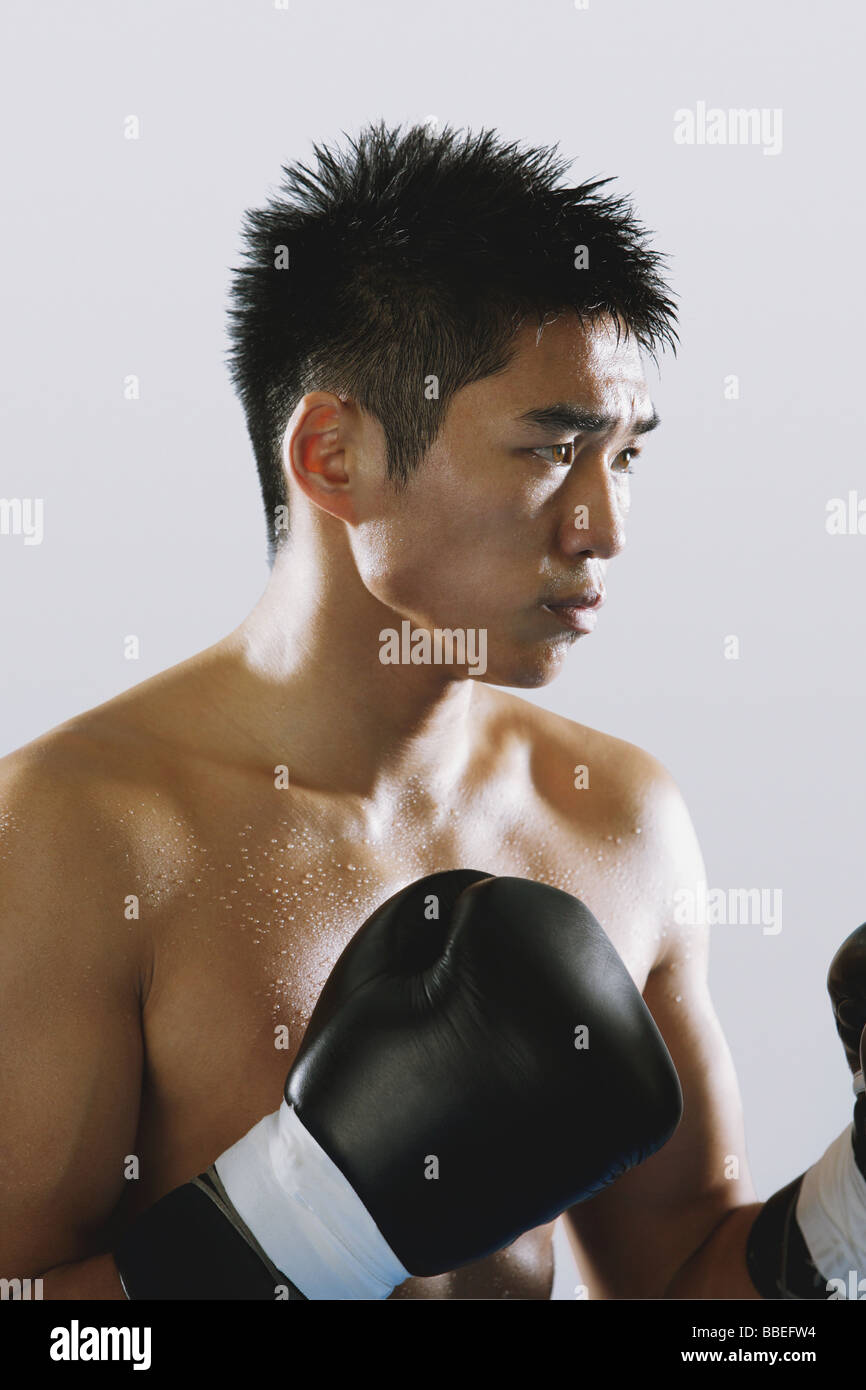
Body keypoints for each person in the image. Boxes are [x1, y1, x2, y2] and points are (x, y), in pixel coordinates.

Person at [1, 120, 862, 1300]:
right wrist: (302, 1226)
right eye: (549, 452)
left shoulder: (614, 818)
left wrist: (855, 1199)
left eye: (627, 459)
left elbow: (685, 1302)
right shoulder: (77, 834)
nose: (603, 528)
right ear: (332, 456)